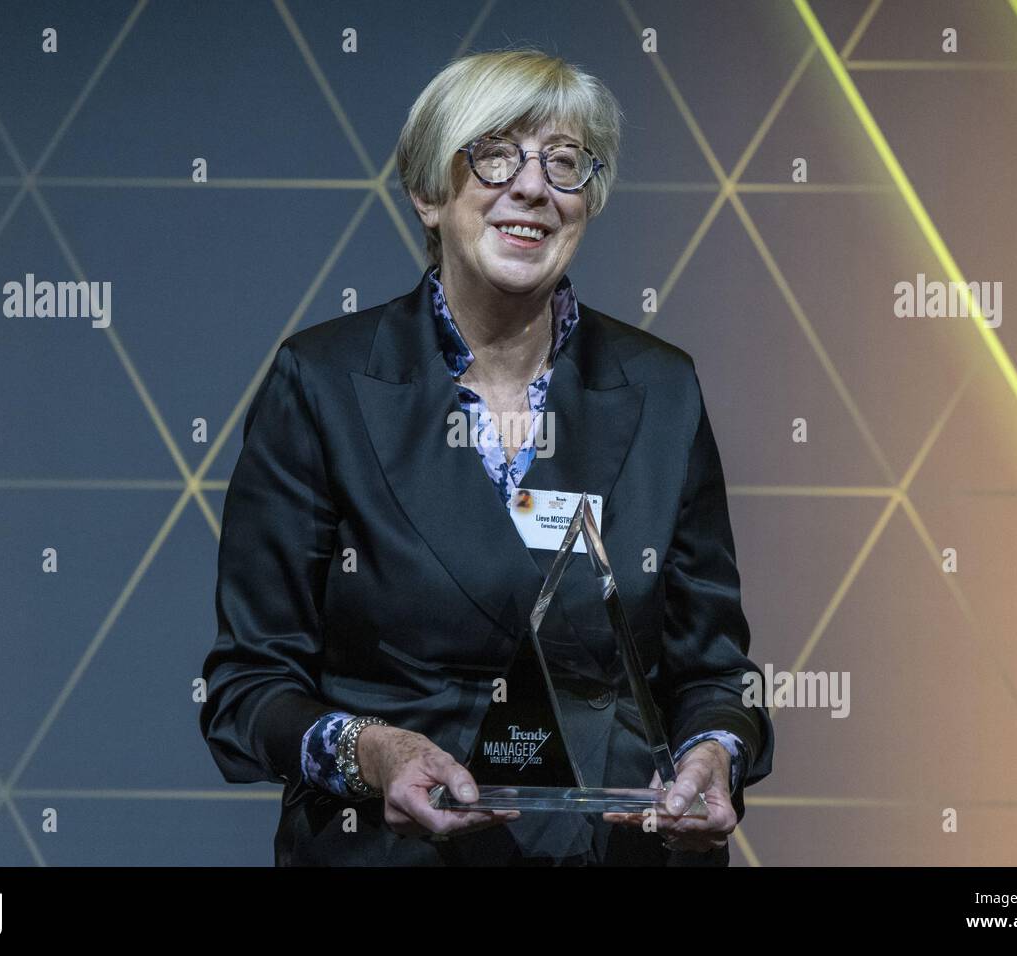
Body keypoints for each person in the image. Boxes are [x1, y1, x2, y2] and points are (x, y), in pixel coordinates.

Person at [199, 48, 773, 866]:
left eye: (564, 163)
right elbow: (248, 692)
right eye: (497, 155)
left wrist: (716, 755)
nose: (533, 187)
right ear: (429, 193)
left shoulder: (661, 388)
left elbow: (714, 674)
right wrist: (375, 754)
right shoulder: (323, 384)